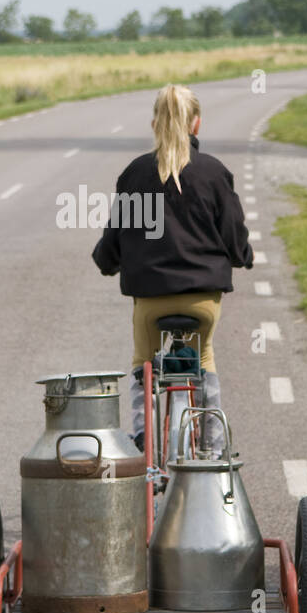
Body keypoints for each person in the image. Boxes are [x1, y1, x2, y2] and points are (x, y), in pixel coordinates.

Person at [92, 83, 253, 452]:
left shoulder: (135, 176)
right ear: (196, 125)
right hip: (202, 303)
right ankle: (213, 446)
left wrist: (106, 261)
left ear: (154, 124)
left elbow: (116, 237)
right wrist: (243, 255)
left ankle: (140, 440)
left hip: (151, 303)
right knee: (205, 356)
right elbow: (233, 235)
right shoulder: (214, 174)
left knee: (142, 363)